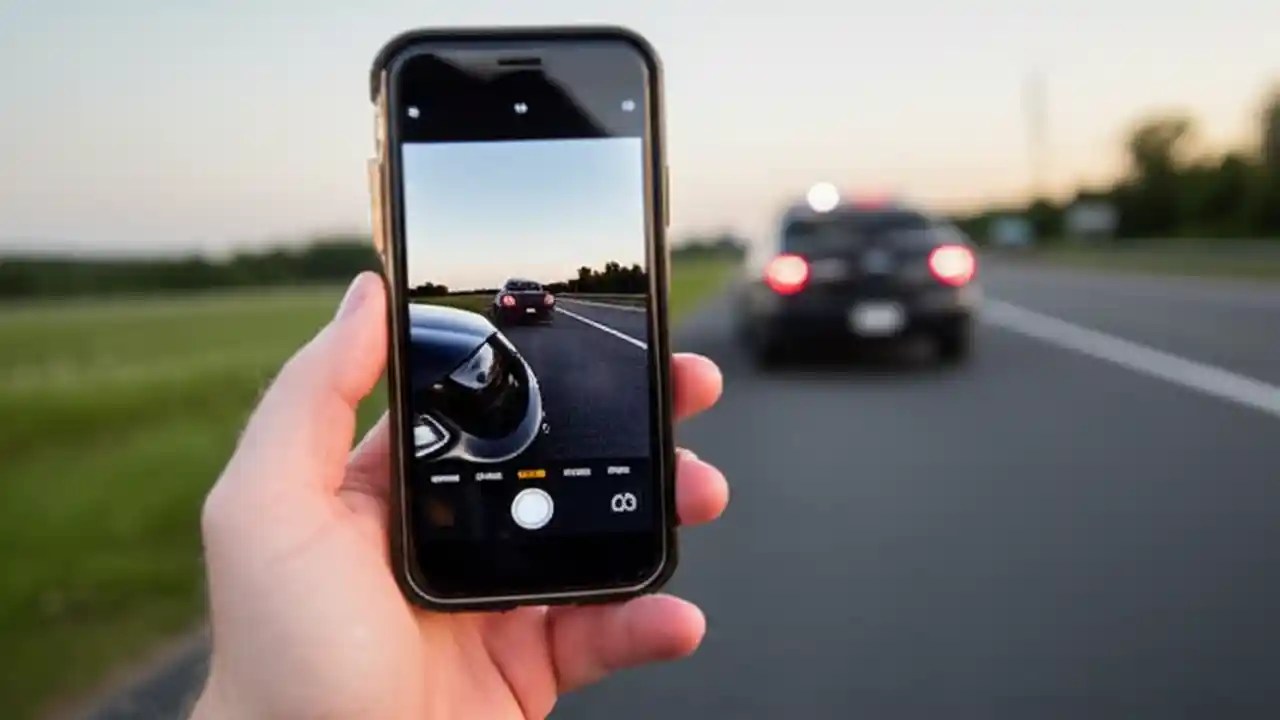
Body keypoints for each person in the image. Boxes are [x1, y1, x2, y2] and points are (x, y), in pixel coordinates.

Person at [192, 272, 729, 719]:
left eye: (533, 296)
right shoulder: (478, 319)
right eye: (520, 296)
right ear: (504, 300)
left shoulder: (498, 316)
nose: (529, 299)